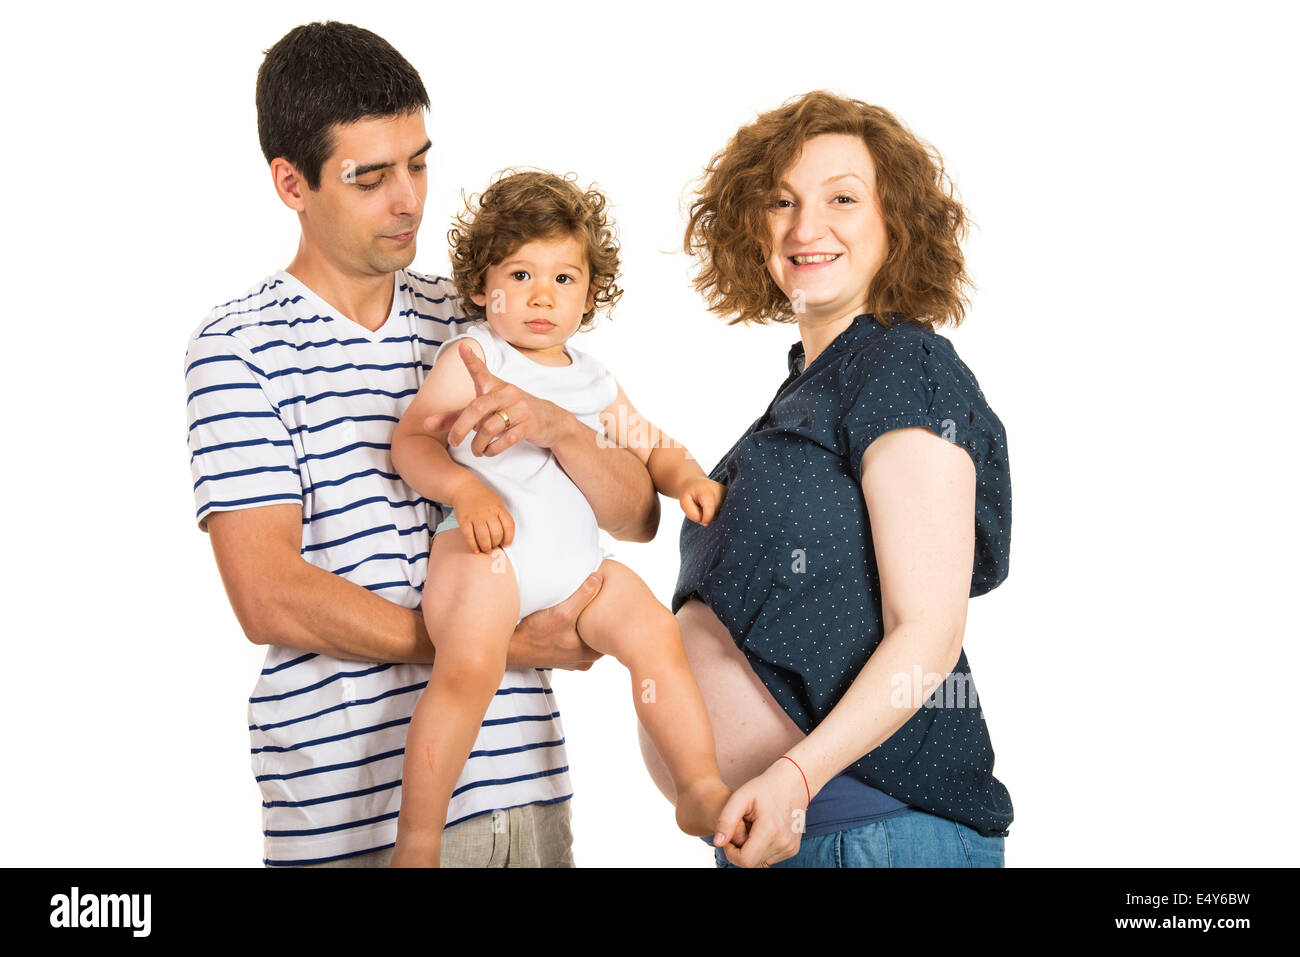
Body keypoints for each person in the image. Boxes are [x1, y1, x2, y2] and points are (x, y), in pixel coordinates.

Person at [184, 21, 657, 868]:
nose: (409, 200)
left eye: (419, 162)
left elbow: (636, 509)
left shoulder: (487, 313)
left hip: (529, 789)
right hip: (353, 814)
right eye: (369, 177)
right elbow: (270, 595)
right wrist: (503, 642)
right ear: (291, 183)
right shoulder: (238, 348)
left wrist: (559, 427)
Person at [638, 90, 1014, 867]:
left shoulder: (903, 369)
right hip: (786, 832)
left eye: (842, 197)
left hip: (870, 828)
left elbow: (929, 633)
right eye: (782, 200)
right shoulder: (810, 388)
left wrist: (794, 775)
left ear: (895, 223)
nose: (806, 227)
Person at [388, 170, 736, 866]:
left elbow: (650, 442)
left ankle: (697, 782)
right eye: (520, 273)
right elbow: (412, 441)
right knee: (468, 668)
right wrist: (464, 490)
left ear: (590, 291)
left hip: (577, 571)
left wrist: (688, 477)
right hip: (486, 550)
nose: (542, 295)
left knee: (653, 631)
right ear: (483, 287)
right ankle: (419, 837)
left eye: (564, 278)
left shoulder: (593, 380)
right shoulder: (475, 356)